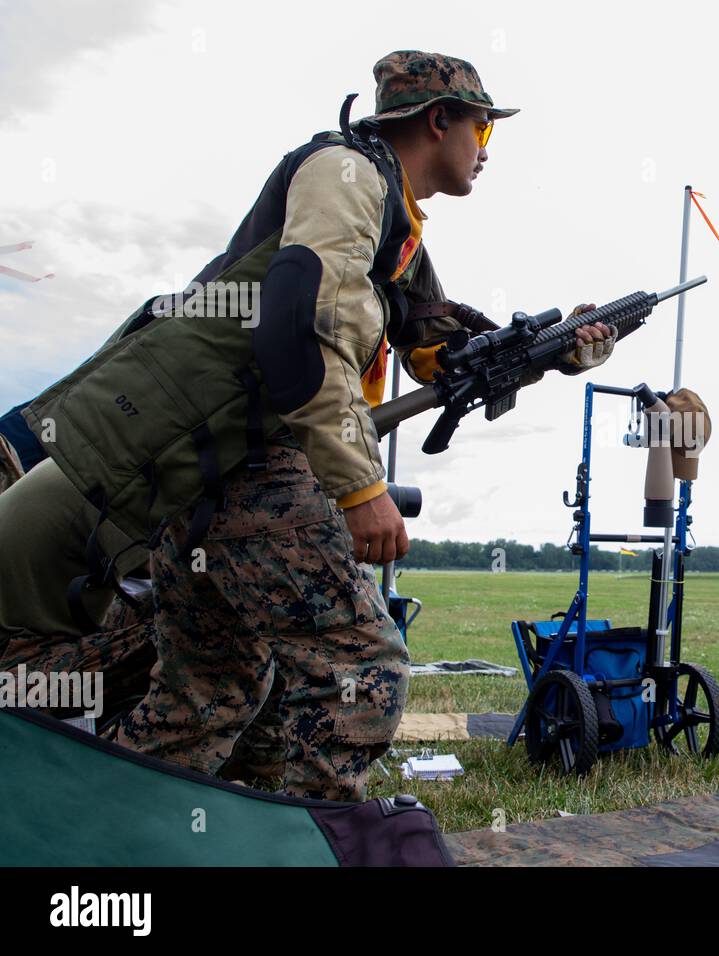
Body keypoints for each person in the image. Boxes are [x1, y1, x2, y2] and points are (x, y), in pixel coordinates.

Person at [8, 49, 616, 801]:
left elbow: (440, 351)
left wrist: (557, 354)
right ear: (438, 120)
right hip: (254, 462)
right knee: (362, 667)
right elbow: (305, 324)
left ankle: (101, 831)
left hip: (221, 470)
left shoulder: (393, 222)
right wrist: (361, 487)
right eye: (483, 134)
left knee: (211, 694)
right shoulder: (348, 176)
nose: (485, 154)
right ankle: (317, 839)